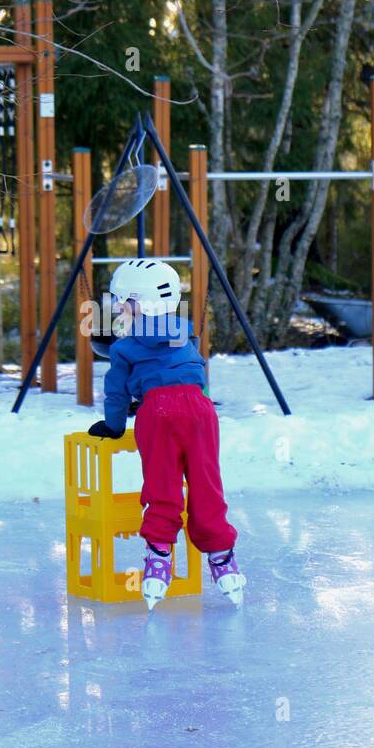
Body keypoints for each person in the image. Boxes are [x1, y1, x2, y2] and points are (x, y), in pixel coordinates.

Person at [86, 258, 245, 610]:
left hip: (158, 413)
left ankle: (158, 558)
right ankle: (222, 557)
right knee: (206, 482)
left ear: (137, 303)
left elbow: (116, 393)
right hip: (201, 410)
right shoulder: (184, 333)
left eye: (122, 302)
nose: (117, 309)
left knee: (163, 485)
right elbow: (191, 374)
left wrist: (114, 425)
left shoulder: (124, 347)